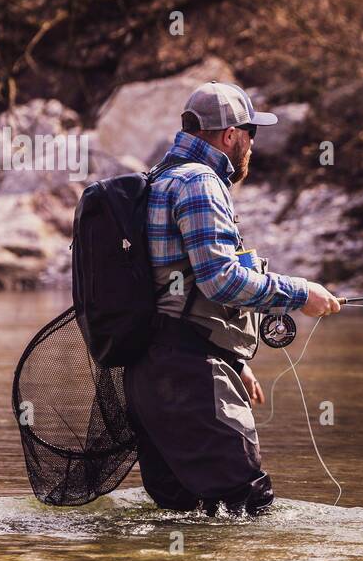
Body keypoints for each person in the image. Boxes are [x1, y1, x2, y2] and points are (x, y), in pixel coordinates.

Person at [123, 80, 342, 515]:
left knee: (182, 514)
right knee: (247, 506)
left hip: (150, 377)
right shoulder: (200, 183)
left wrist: (232, 361)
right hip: (189, 376)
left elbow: (170, 290)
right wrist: (300, 294)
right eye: (250, 134)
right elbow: (220, 281)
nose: (252, 146)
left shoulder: (158, 180)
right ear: (230, 136)